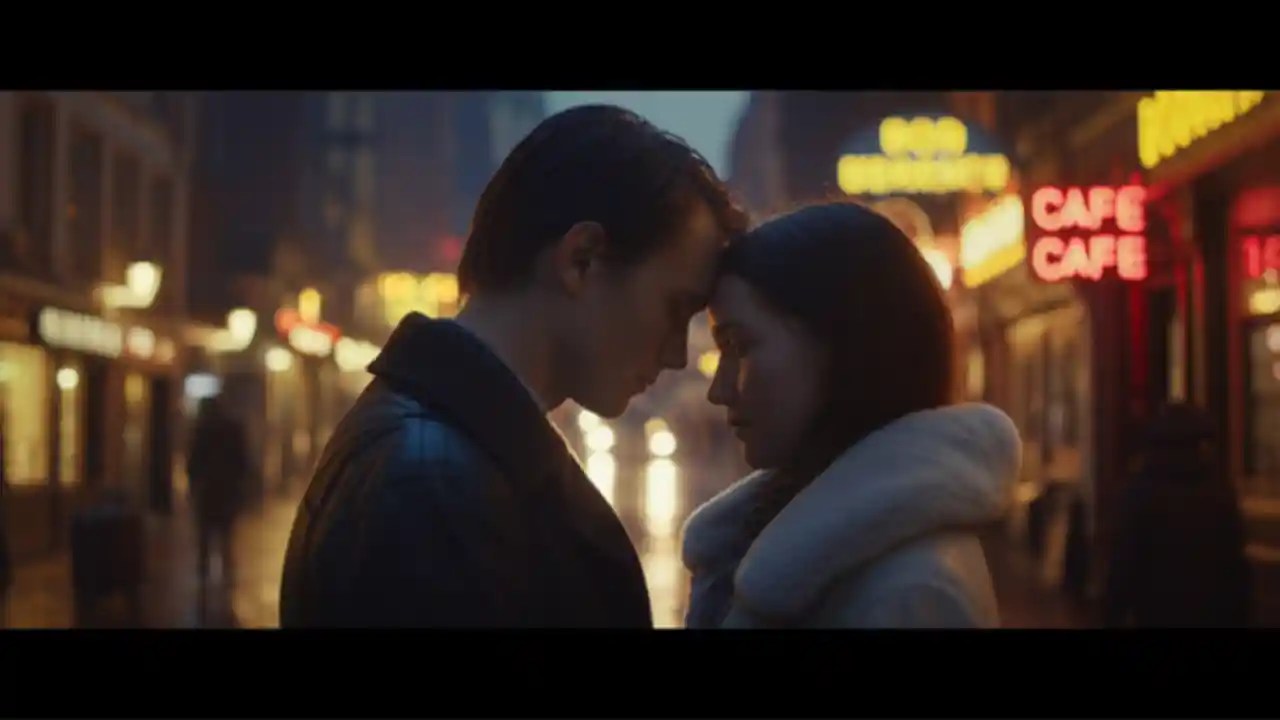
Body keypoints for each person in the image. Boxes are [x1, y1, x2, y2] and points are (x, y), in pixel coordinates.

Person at [280, 104, 748, 627]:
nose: (677, 354)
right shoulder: (431, 491)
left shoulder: (444, 462)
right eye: (675, 308)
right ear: (582, 259)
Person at [681, 201, 1022, 629]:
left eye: (739, 346)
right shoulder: (768, 543)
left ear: (842, 348)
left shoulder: (911, 595)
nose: (720, 389)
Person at [1103, 403, 1253, 627]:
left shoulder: (1141, 492)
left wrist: (1113, 614)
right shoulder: (1217, 491)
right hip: (1210, 614)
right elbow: (1235, 564)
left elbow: (1125, 563)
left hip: (1156, 612)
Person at [186, 396, 248, 590]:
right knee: (226, 537)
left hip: (207, 491)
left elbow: (193, 463)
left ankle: (204, 577)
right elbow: (242, 461)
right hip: (226, 490)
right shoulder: (232, 429)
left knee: (205, 538)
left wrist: (193, 486)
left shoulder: (201, 430)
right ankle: (227, 577)